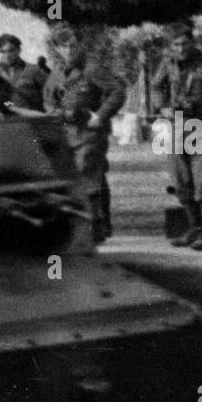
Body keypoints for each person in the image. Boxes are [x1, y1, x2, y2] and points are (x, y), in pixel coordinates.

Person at [43, 25, 126, 243]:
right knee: (79, 178)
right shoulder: (57, 74)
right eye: (63, 47)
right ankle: (96, 224)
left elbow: (117, 91)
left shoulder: (92, 69)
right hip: (67, 132)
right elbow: (48, 101)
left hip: (89, 132)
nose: (69, 51)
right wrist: (58, 113)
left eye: (72, 46)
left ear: (79, 46)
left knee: (88, 174)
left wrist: (101, 115)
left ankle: (96, 227)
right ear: (56, 50)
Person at [151, 26, 202, 251]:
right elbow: (155, 86)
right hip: (176, 125)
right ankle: (193, 228)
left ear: (194, 44)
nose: (180, 49)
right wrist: (162, 107)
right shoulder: (167, 63)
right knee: (180, 179)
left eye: (184, 44)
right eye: (176, 45)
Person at [0, 33, 49, 112]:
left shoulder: (34, 70)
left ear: (19, 50)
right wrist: (8, 105)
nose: (7, 55)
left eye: (11, 51)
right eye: (3, 51)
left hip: (32, 119)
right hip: (6, 120)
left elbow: (51, 93)